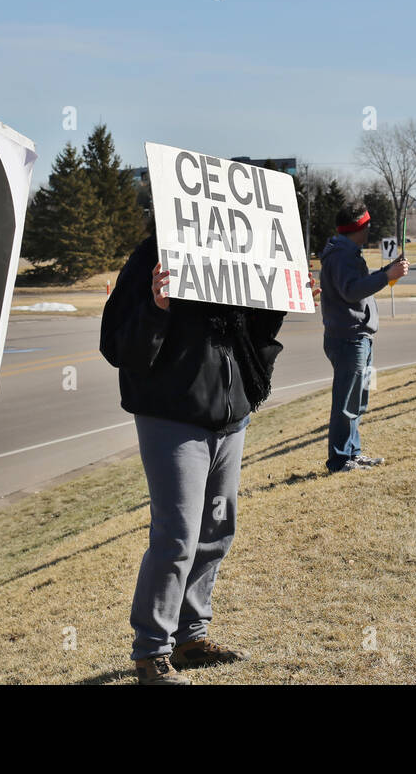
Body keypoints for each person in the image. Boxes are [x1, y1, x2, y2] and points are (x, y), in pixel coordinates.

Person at [100, 231, 286, 685]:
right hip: (172, 417)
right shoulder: (148, 257)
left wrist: (281, 297)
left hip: (230, 415)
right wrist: (156, 307)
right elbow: (118, 347)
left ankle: (191, 637)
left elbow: (251, 335)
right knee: (176, 536)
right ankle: (151, 652)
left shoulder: (234, 253)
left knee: (217, 528)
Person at [317, 202, 407, 471]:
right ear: (359, 227)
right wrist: (386, 277)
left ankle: (352, 453)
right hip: (349, 338)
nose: (369, 230)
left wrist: (386, 272)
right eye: (366, 225)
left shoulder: (346, 252)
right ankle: (340, 459)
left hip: (359, 337)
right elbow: (351, 291)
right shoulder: (342, 255)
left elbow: (357, 286)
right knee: (347, 402)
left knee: (357, 399)